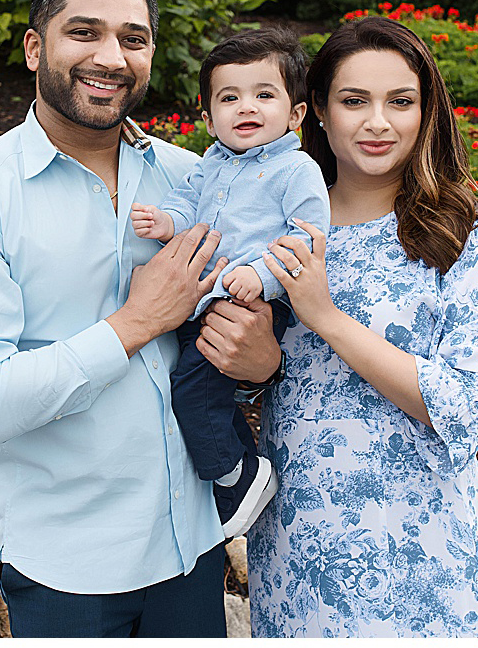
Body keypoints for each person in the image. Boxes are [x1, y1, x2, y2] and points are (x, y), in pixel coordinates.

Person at [0, 0, 283, 638]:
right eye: (84, 32)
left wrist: (263, 365)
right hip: (69, 572)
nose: (111, 57)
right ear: (34, 47)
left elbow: (228, 344)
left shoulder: (194, 181)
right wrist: (134, 322)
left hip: (193, 549)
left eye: (133, 39)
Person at [245, 16, 478, 637]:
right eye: (354, 101)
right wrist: (256, 364)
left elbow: (464, 402)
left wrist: (324, 317)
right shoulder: (278, 232)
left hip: (423, 554)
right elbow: (249, 377)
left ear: (427, 114)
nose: (378, 122)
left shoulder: (463, 240)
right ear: (314, 110)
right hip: (299, 545)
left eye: (401, 102)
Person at [130, 29, 330, 539]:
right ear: (208, 116)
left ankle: (232, 478)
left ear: (296, 114)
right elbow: (185, 202)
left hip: (254, 301)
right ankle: (241, 464)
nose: (247, 107)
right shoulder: (211, 163)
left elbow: (307, 241)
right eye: (229, 97)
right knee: (193, 384)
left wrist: (260, 275)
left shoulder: (296, 169)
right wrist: (165, 222)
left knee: (194, 391)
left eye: (264, 95)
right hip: (206, 300)